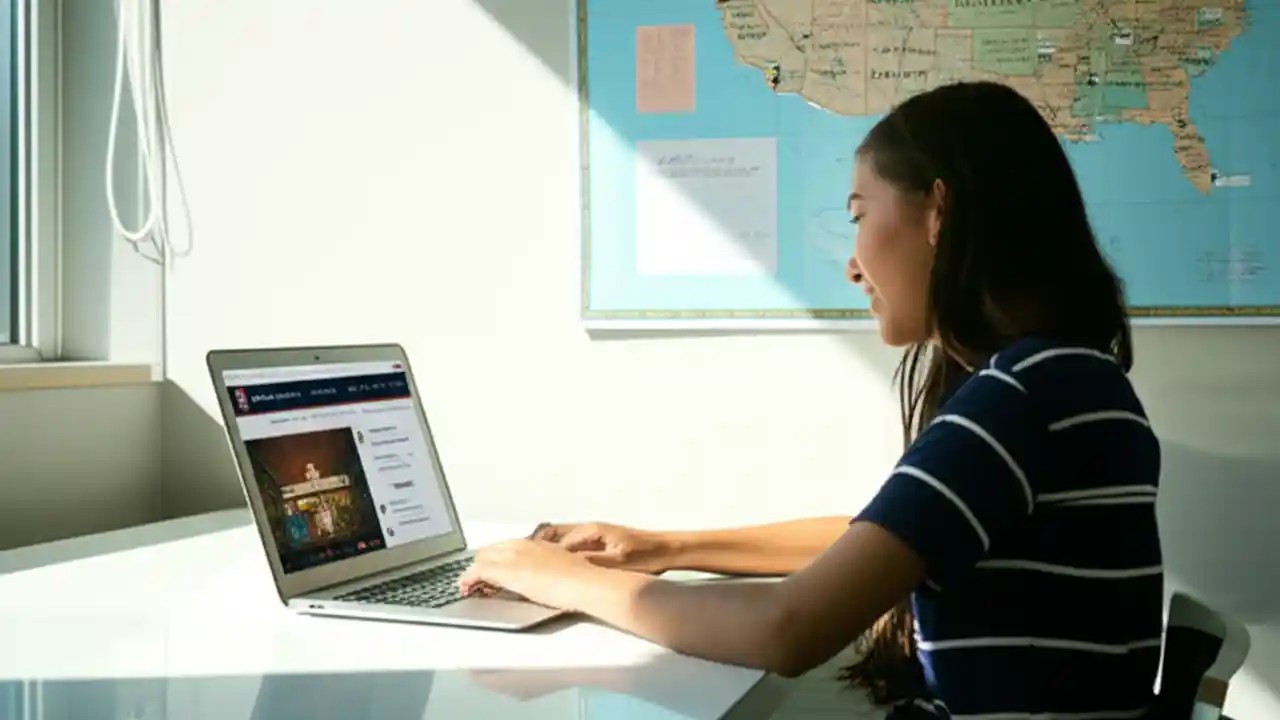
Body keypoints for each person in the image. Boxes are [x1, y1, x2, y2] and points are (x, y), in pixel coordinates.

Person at [459, 81, 1163, 719]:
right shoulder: (1071, 381)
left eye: (860, 215)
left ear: (937, 212)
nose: (853, 265)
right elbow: (880, 542)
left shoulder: (1018, 400)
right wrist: (666, 547)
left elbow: (786, 629)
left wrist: (563, 581)